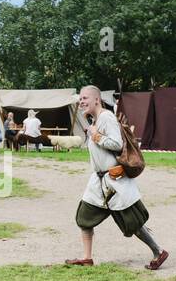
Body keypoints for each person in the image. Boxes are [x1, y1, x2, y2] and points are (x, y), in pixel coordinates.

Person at [65, 84, 169, 270]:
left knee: (132, 222)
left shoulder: (106, 118)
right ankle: (87, 258)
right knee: (84, 218)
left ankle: (158, 251)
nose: (81, 102)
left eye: (85, 98)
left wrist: (96, 137)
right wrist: (93, 132)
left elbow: (117, 143)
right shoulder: (95, 121)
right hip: (98, 181)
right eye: (80, 99)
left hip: (114, 182)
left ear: (96, 99)